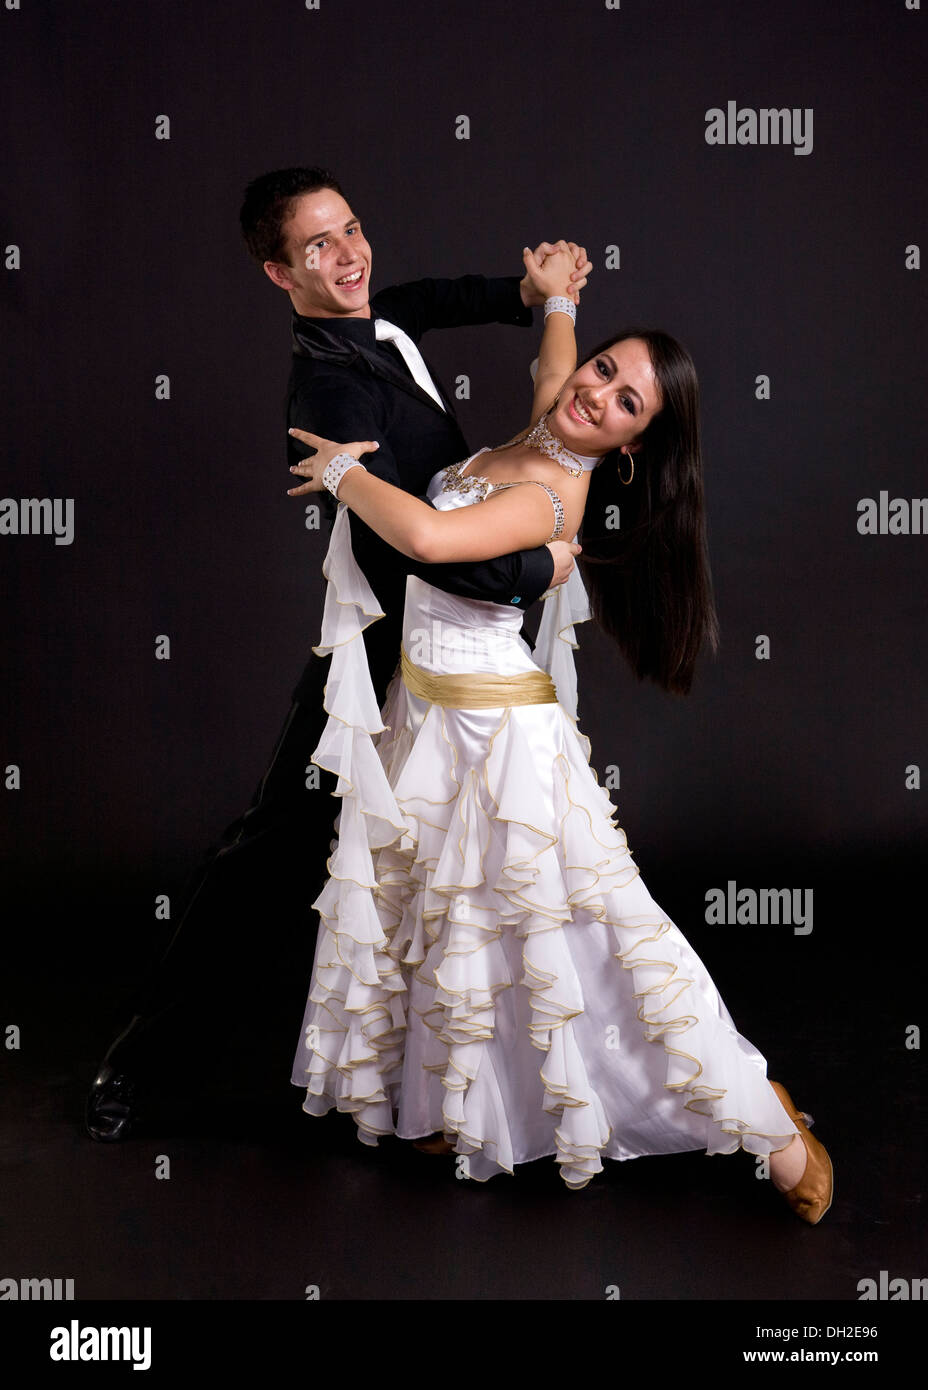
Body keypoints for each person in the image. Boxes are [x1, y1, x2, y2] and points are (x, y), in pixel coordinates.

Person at [285, 242, 834, 1223]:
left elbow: (427, 540)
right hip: (433, 717)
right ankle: (441, 1103)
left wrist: (338, 472)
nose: (598, 392)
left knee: (596, 934)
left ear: (632, 444)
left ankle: (769, 1128)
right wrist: (556, 300)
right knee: (448, 922)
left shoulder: (554, 493)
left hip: (504, 740)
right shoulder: (549, 417)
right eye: (604, 369)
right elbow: (555, 364)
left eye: (626, 403)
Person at [84, 166, 590, 1141]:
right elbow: (406, 545)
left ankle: (478, 1070)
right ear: (280, 273)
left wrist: (525, 292)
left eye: (351, 229)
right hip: (387, 649)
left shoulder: (372, 316)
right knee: (272, 844)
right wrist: (536, 564)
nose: (348, 254)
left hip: (456, 632)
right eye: (318, 247)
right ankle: (138, 1060)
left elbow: (425, 302)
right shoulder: (324, 390)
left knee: (478, 844)